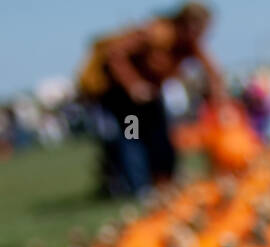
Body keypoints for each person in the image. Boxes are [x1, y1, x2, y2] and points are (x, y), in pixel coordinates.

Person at [79, 5, 224, 197]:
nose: (202, 34)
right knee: (132, 138)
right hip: (124, 98)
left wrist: (218, 98)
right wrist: (133, 84)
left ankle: (164, 182)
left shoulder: (189, 43)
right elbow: (115, 54)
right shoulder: (157, 32)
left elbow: (211, 70)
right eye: (199, 28)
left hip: (150, 96)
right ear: (186, 23)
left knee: (161, 137)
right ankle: (138, 187)